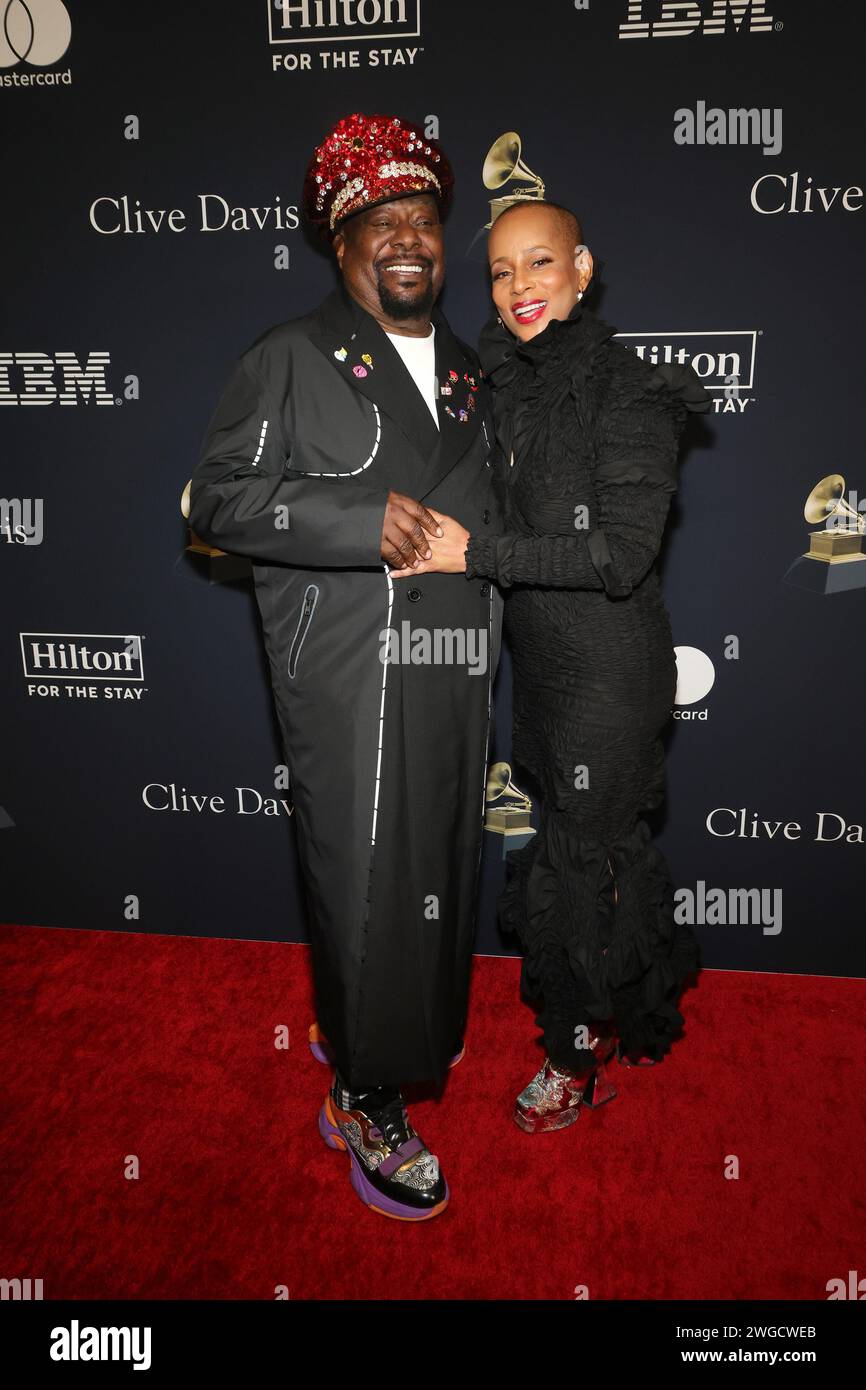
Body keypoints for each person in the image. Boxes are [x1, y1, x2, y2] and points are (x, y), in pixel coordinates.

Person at [188, 113, 503, 1216]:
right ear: (341, 242)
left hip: (454, 665)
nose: (408, 238)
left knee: (437, 865)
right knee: (364, 876)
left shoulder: (471, 370)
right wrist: (354, 520)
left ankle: (399, 1033)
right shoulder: (287, 356)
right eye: (382, 221)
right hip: (351, 672)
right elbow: (216, 502)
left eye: (424, 218)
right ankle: (364, 1096)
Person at [394, 197, 711, 1133]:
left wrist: (474, 554)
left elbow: (620, 554)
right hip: (541, 668)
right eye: (500, 271)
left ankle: (575, 1058)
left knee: (582, 859)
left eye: (540, 262)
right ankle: (609, 1009)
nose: (519, 286)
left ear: (583, 269)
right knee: (586, 849)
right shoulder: (504, 382)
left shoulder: (628, 389)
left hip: (611, 675)